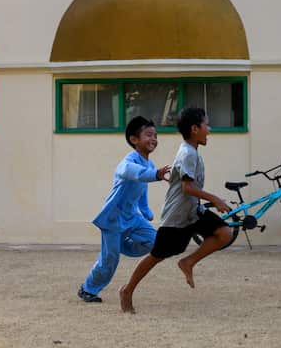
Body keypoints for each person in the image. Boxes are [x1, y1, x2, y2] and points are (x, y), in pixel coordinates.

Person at [118, 107, 233, 313]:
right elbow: (187, 187)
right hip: (177, 217)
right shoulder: (188, 153)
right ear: (195, 128)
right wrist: (214, 199)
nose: (210, 129)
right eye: (207, 124)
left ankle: (188, 262)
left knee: (224, 233)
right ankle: (127, 291)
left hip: (193, 212)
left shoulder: (192, 152)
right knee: (157, 255)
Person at [77, 116, 171, 303]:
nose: (153, 139)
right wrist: (155, 175)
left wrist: (146, 211)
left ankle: (118, 246)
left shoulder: (150, 164)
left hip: (132, 217)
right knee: (110, 260)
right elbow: (131, 172)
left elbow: (142, 190)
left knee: (155, 242)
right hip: (112, 219)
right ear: (134, 139)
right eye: (148, 135)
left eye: (155, 135)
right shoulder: (128, 161)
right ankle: (88, 289)